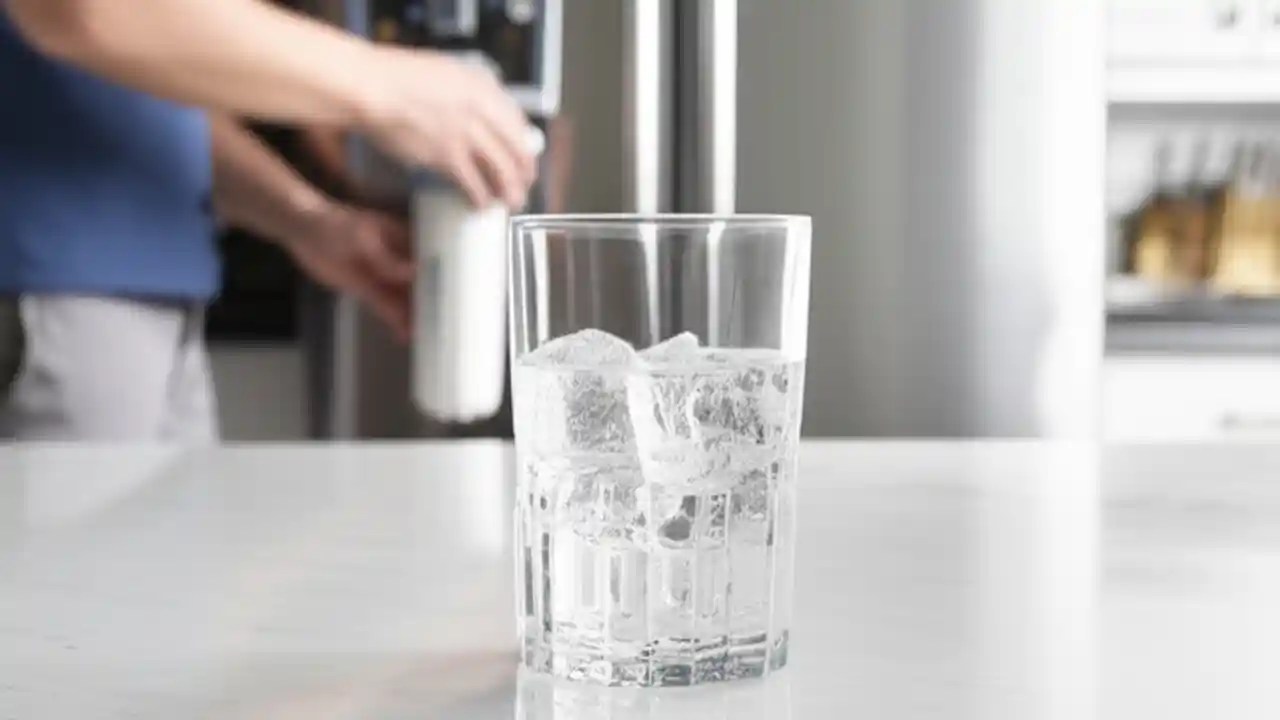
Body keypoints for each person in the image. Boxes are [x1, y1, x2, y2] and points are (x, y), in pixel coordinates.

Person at [0, 0, 537, 441]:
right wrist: (386, 87)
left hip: (149, 300)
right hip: (47, 291)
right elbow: (81, 10)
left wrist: (305, 220)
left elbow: (139, 97)